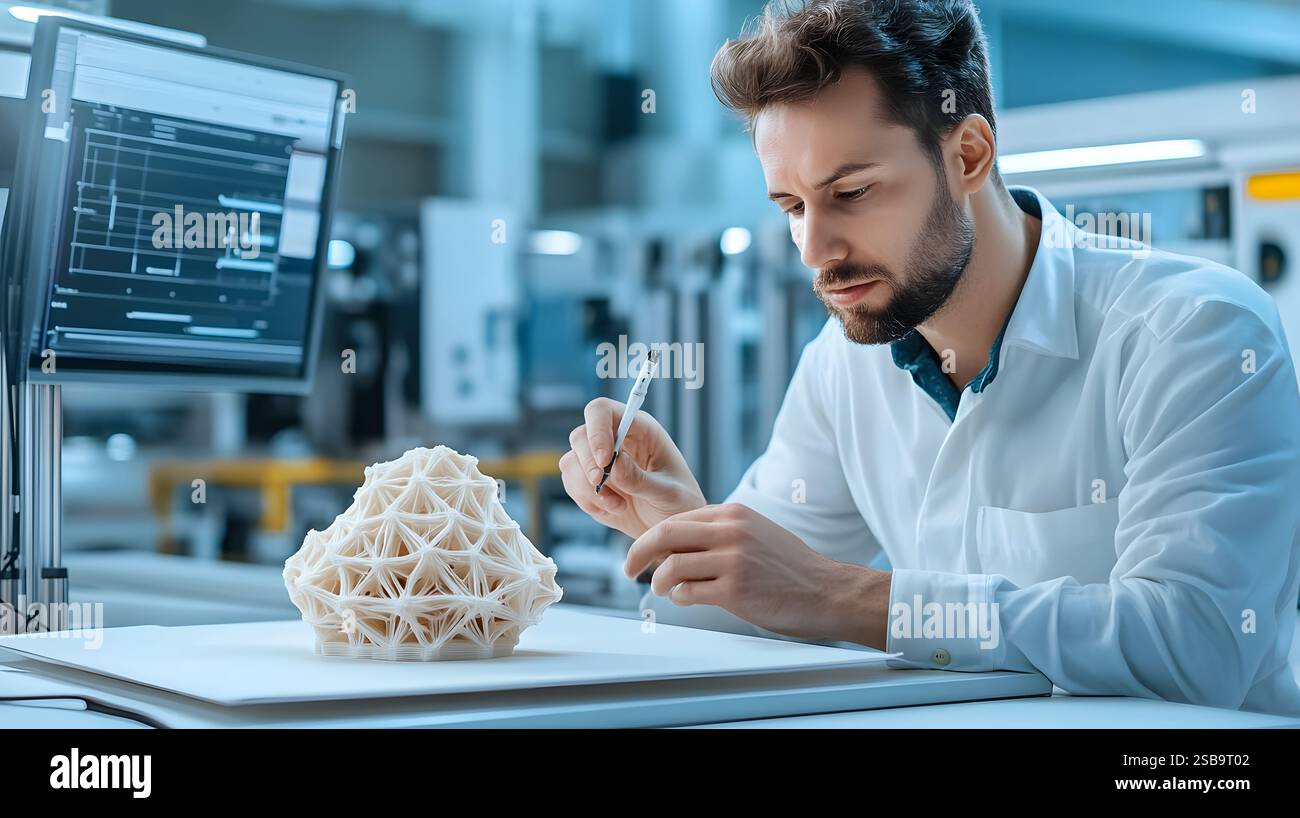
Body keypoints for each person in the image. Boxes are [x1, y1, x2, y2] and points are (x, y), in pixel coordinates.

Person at [559, 0, 1300, 715]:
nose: (814, 250)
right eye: (791, 207)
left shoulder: (1193, 333)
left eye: (851, 191)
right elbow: (765, 609)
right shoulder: (843, 362)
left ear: (968, 155)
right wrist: (686, 526)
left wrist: (841, 596)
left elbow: (1196, 646)